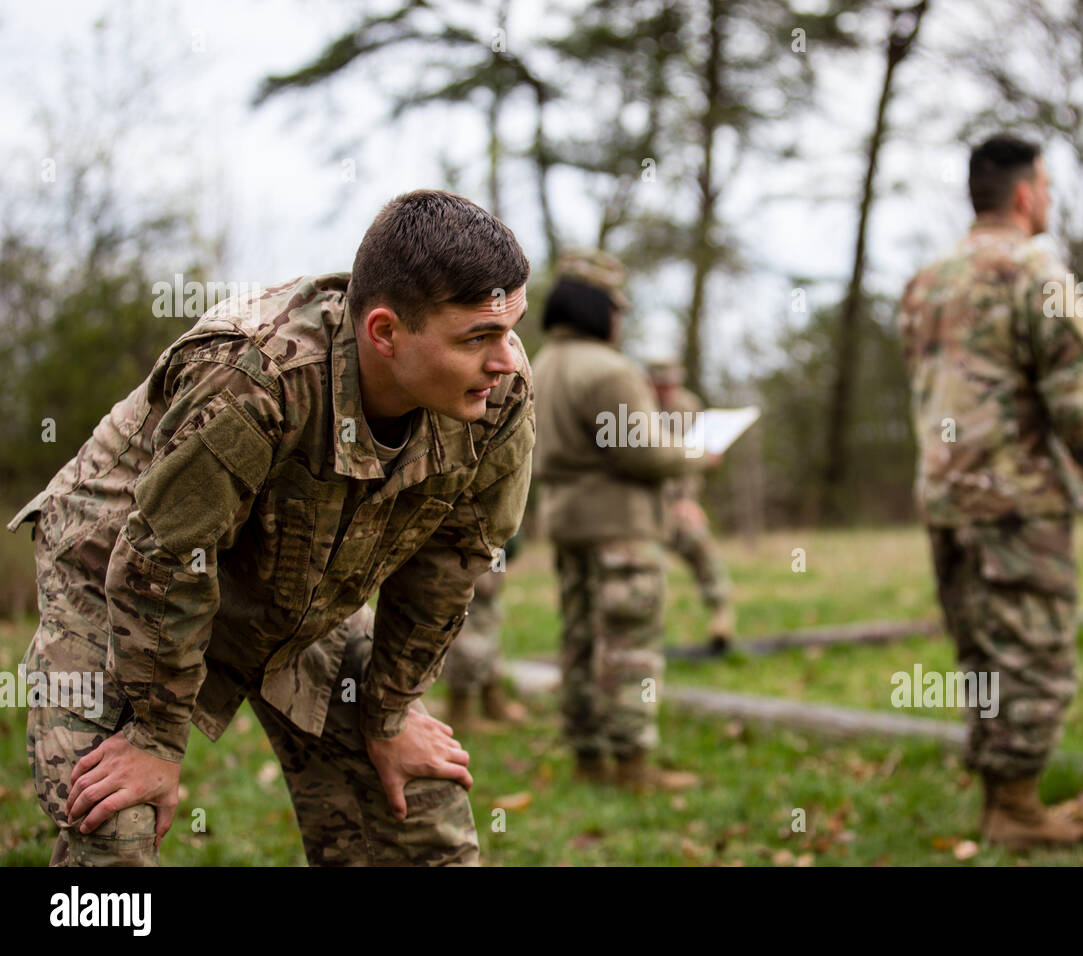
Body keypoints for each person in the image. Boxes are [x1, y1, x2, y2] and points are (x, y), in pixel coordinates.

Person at [7, 189, 534, 866]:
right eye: (478, 337)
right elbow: (165, 560)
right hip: (122, 569)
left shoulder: (498, 396)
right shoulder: (254, 377)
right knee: (114, 817)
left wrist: (388, 712)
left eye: (510, 328)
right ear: (385, 333)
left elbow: (453, 558)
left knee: (416, 799)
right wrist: (157, 739)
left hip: (289, 580)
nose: (506, 359)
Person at [897, 135, 1083, 850]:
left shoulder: (926, 280)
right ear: (1027, 194)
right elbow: (1077, 391)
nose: (1050, 201)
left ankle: (1003, 794)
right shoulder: (1038, 271)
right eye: (1049, 189)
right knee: (1033, 654)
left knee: (980, 654)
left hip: (944, 497)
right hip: (1017, 500)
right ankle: (1017, 805)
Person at [531, 251, 704, 791]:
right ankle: (632, 765)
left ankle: (588, 760)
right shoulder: (610, 369)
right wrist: (698, 455)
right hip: (621, 530)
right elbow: (643, 455)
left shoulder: (539, 364)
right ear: (597, 307)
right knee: (629, 647)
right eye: (617, 307)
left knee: (580, 643)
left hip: (566, 523)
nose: (622, 319)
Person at [646, 359, 734, 654]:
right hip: (645, 503)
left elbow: (695, 457)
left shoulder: (689, 406)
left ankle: (721, 612)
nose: (667, 391)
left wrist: (688, 500)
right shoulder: (635, 404)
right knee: (646, 564)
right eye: (662, 385)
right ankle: (646, 632)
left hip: (679, 502)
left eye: (672, 384)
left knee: (700, 545)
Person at [442, 539, 527, 728]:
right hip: (473, 544)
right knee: (468, 645)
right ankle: (459, 712)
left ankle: (493, 701)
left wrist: (502, 556)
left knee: (489, 633)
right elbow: (487, 588)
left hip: (493, 542)